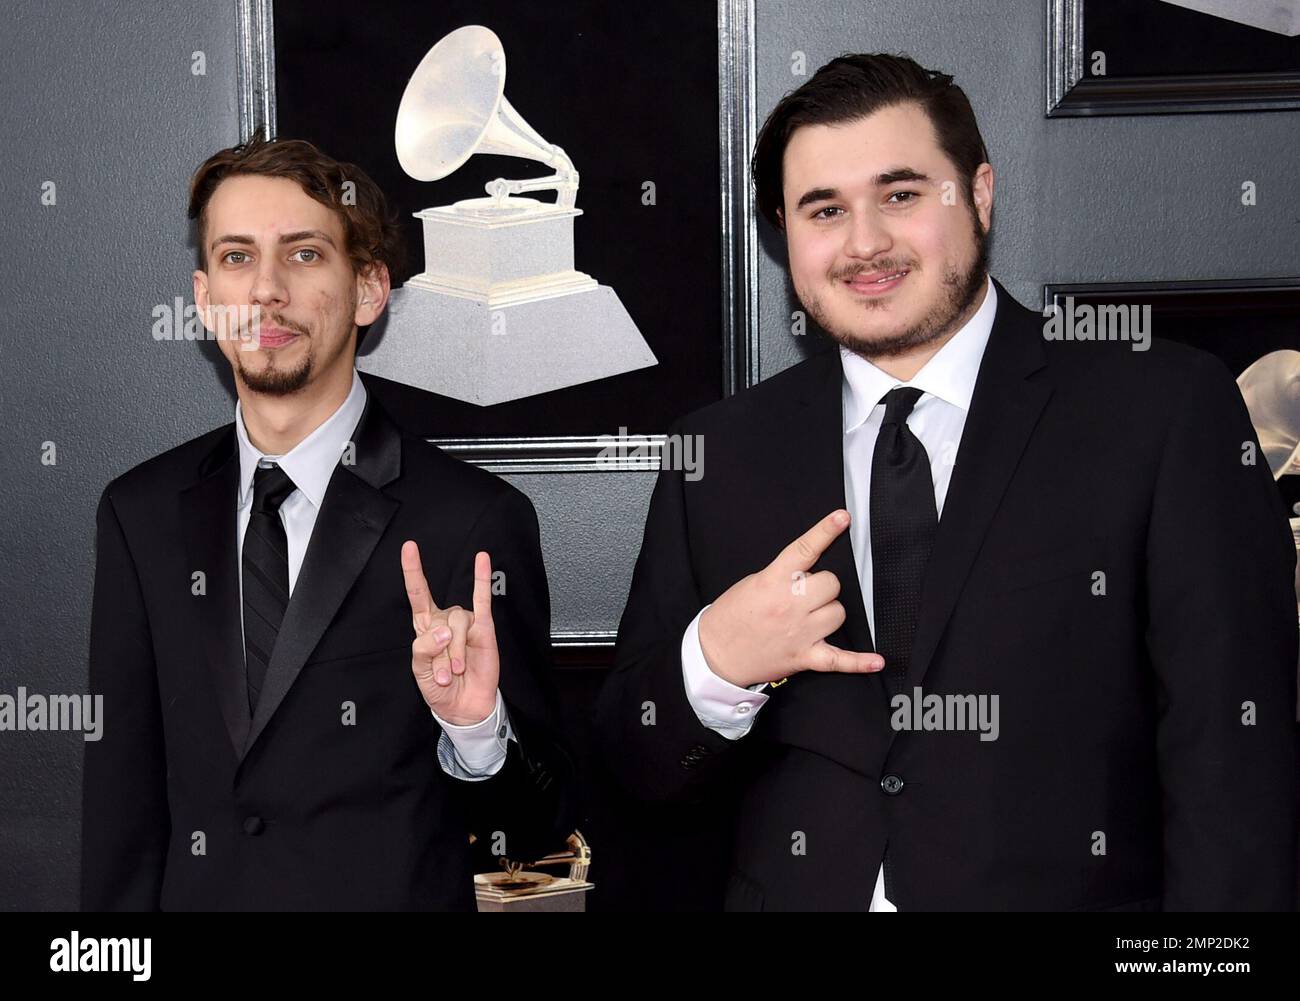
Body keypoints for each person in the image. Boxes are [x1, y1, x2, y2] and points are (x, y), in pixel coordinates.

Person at [596, 53, 1297, 910]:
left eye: (900, 194)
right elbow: (633, 767)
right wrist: (718, 663)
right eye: (825, 209)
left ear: (980, 194)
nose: (864, 243)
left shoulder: (1159, 407)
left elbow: (1233, 756)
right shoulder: (717, 453)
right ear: (785, 235)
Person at [82, 132, 573, 910]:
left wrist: (477, 728)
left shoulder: (475, 519)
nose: (267, 290)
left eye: (305, 255)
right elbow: (121, 812)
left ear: (371, 289)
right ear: (206, 298)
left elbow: (534, 821)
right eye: (238, 258)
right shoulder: (139, 514)